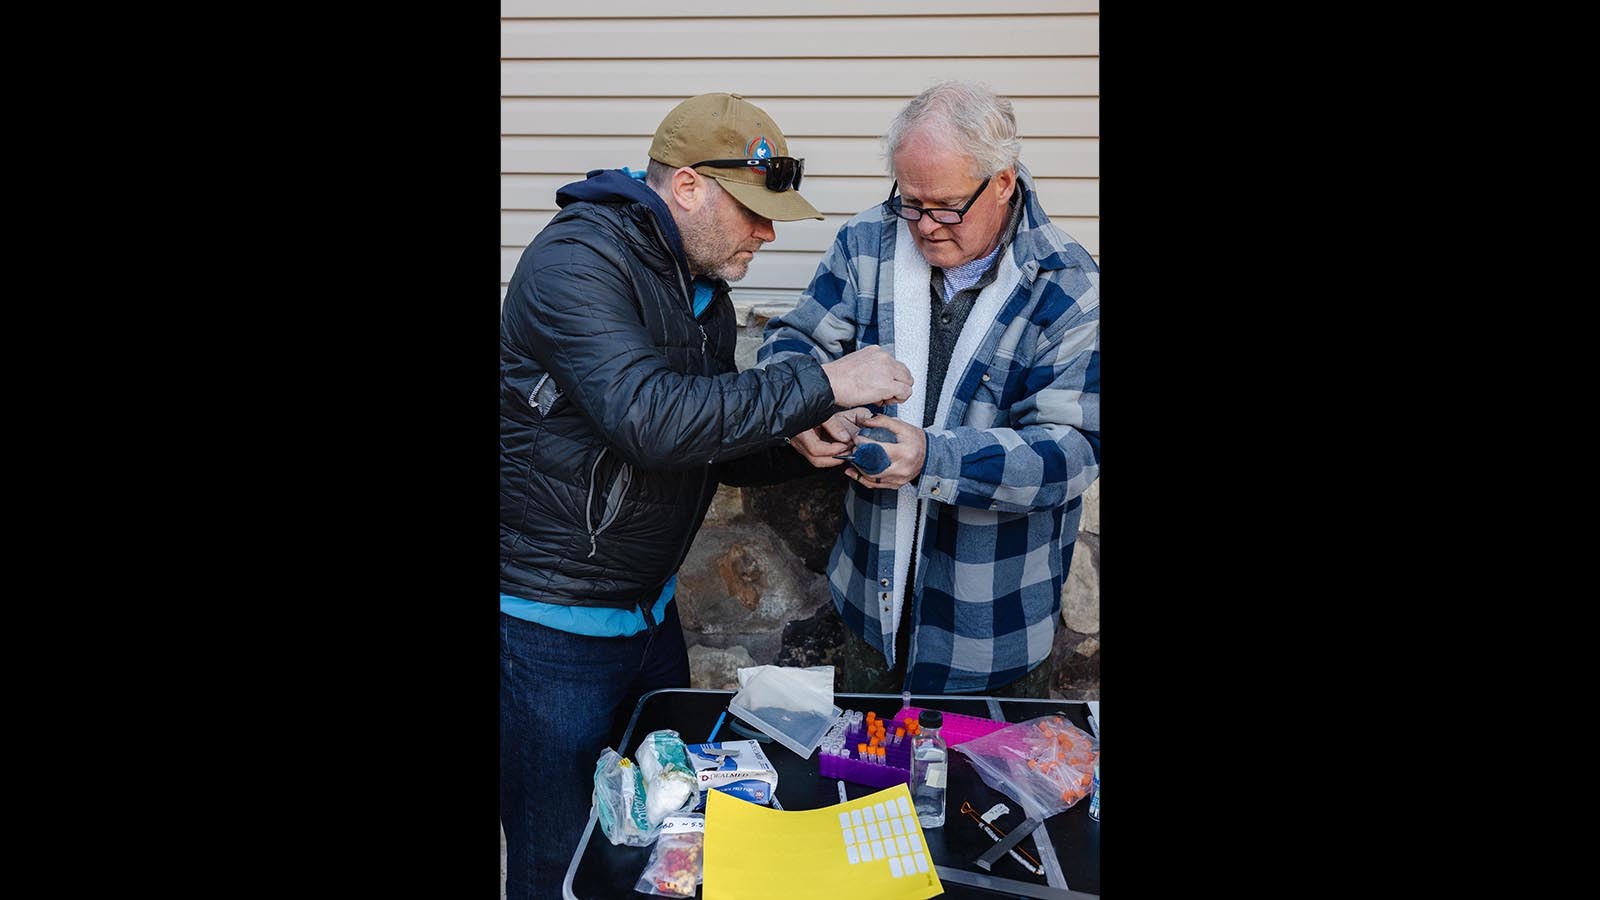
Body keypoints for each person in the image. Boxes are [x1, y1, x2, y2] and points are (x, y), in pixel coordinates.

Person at [499, 92, 914, 900]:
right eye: (753, 212)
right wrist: (823, 379)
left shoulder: (698, 292)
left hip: (646, 615)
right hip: (553, 629)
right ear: (686, 186)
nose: (766, 232)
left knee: (655, 843)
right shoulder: (576, 262)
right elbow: (652, 420)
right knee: (560, 864)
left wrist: (807, 442)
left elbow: (704, 441)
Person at [758, 81, 1100, 698]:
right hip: (869, 602)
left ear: (1003, 181)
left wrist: (931, 458)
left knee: (989, 793)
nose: (923, 226)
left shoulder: (1068, 286)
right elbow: (794, 341)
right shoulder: (867, 243)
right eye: (908, 202)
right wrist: (802, 408)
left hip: (993, 625)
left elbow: (1070, 453)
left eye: (945, 206)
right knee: (868, 783)